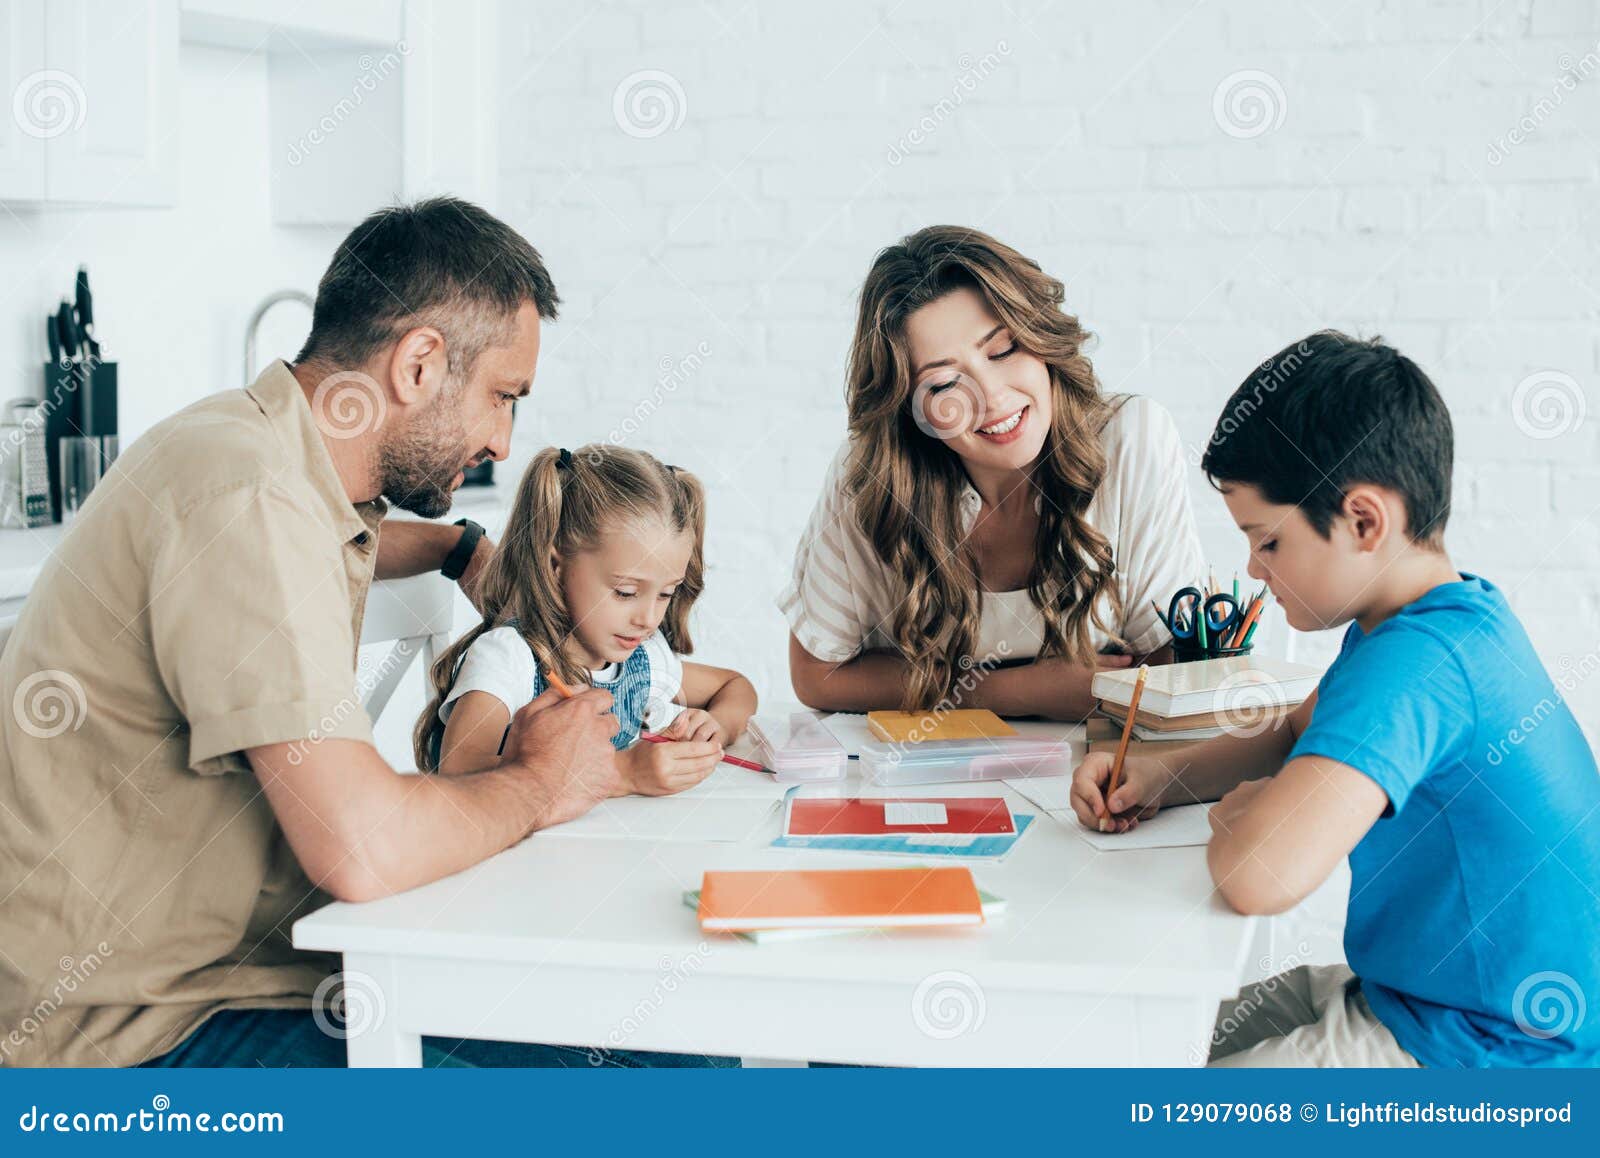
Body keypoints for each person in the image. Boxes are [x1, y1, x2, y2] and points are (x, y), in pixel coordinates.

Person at [0, 197, 727, 1068]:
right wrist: (542, 780)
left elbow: (332, 540)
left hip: (266, 968)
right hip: (133, 1036)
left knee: (672, 1044)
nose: (503, 439)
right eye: (502, 397)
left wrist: (461, 548)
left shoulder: (256, 456)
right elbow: (363, 849)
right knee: (655, 1074)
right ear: (419, 363)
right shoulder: (247, 497)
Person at [1070, 331, 1600, 1067]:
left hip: (1483, 1056)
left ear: (1363, 520)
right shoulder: (1435, 623)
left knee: (1144, 1110)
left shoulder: (1419, 666)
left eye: (1268, 542)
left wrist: (1241, 816)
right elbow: (1293, 732)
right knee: (1131, 1041)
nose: (1253, 571)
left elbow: (1260, 878)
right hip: (1414, 998)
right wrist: (1164, 778)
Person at [782, 226, 1204, 719]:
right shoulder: (873, 470)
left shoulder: (1131, 437)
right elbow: (818, 676)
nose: (993, 398)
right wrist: (1022, 692)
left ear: (1041, 339)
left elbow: (1178, 662)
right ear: (910, 408)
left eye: (1003, 351)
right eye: (944, 382)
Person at [417, 443, 757, 785]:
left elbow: (735, 686)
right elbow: (459, 770)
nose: (648, 619)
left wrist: (717, 727)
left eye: (666, 593)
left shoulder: (643, 659)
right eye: (626, 592)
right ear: (555, 566)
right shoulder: (509, 659)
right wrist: (623, 774)